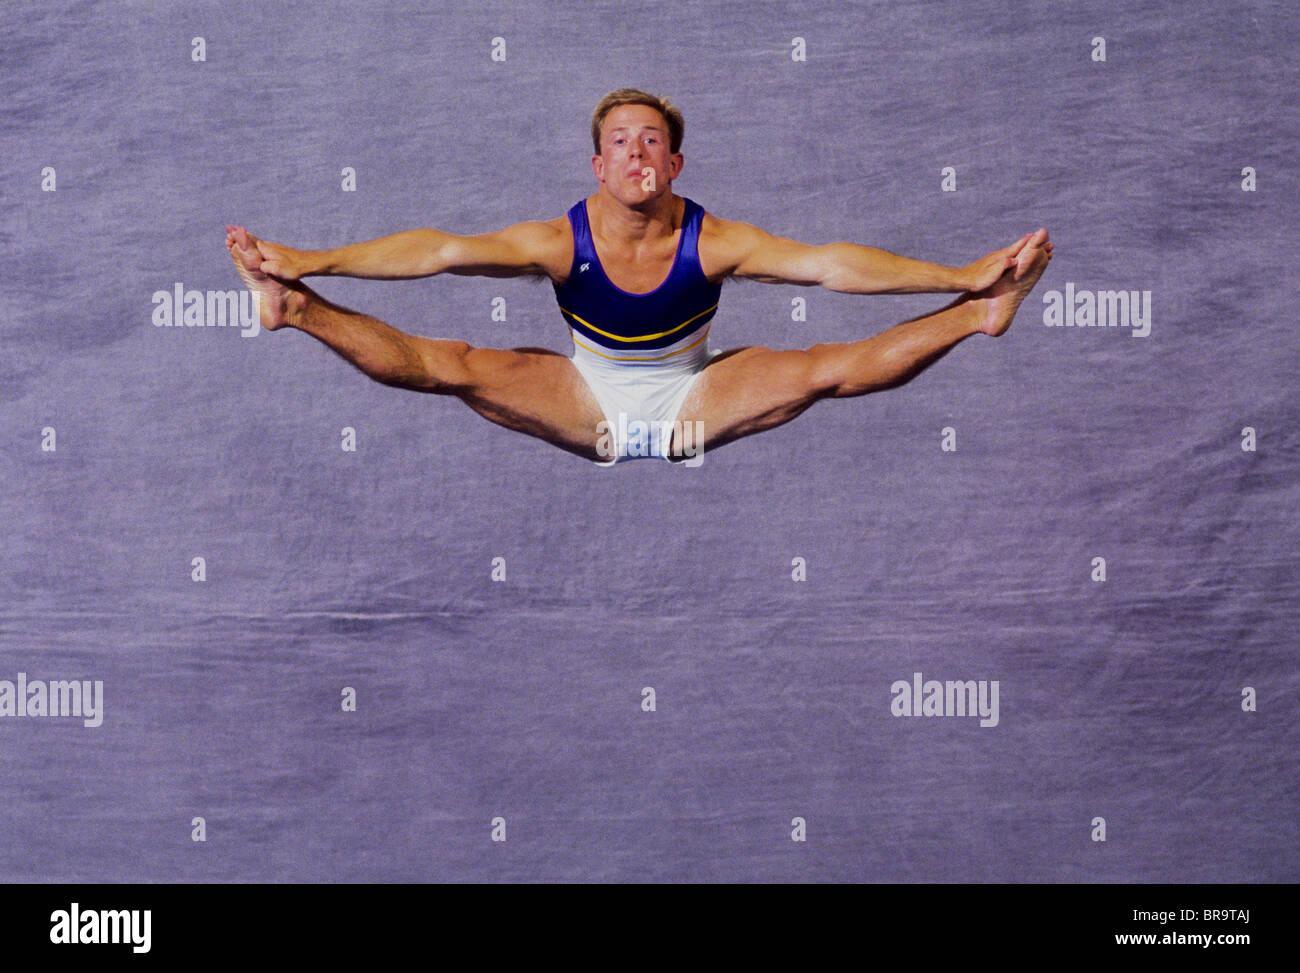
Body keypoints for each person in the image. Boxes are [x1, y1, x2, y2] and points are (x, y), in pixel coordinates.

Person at [226, 88, 1052, 465]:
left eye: (652, 140)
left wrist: (960, 274)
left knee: (822, 370)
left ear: (675, 162)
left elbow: (833, 266)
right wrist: (311, 259)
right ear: (597, 164)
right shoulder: (559, 239)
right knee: (453, 364)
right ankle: (296, 306)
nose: (636, 152)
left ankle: (978, 314)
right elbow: (439, 250)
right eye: (620, 140)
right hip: (591, 400)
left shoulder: (715, 238)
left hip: (693, 393)